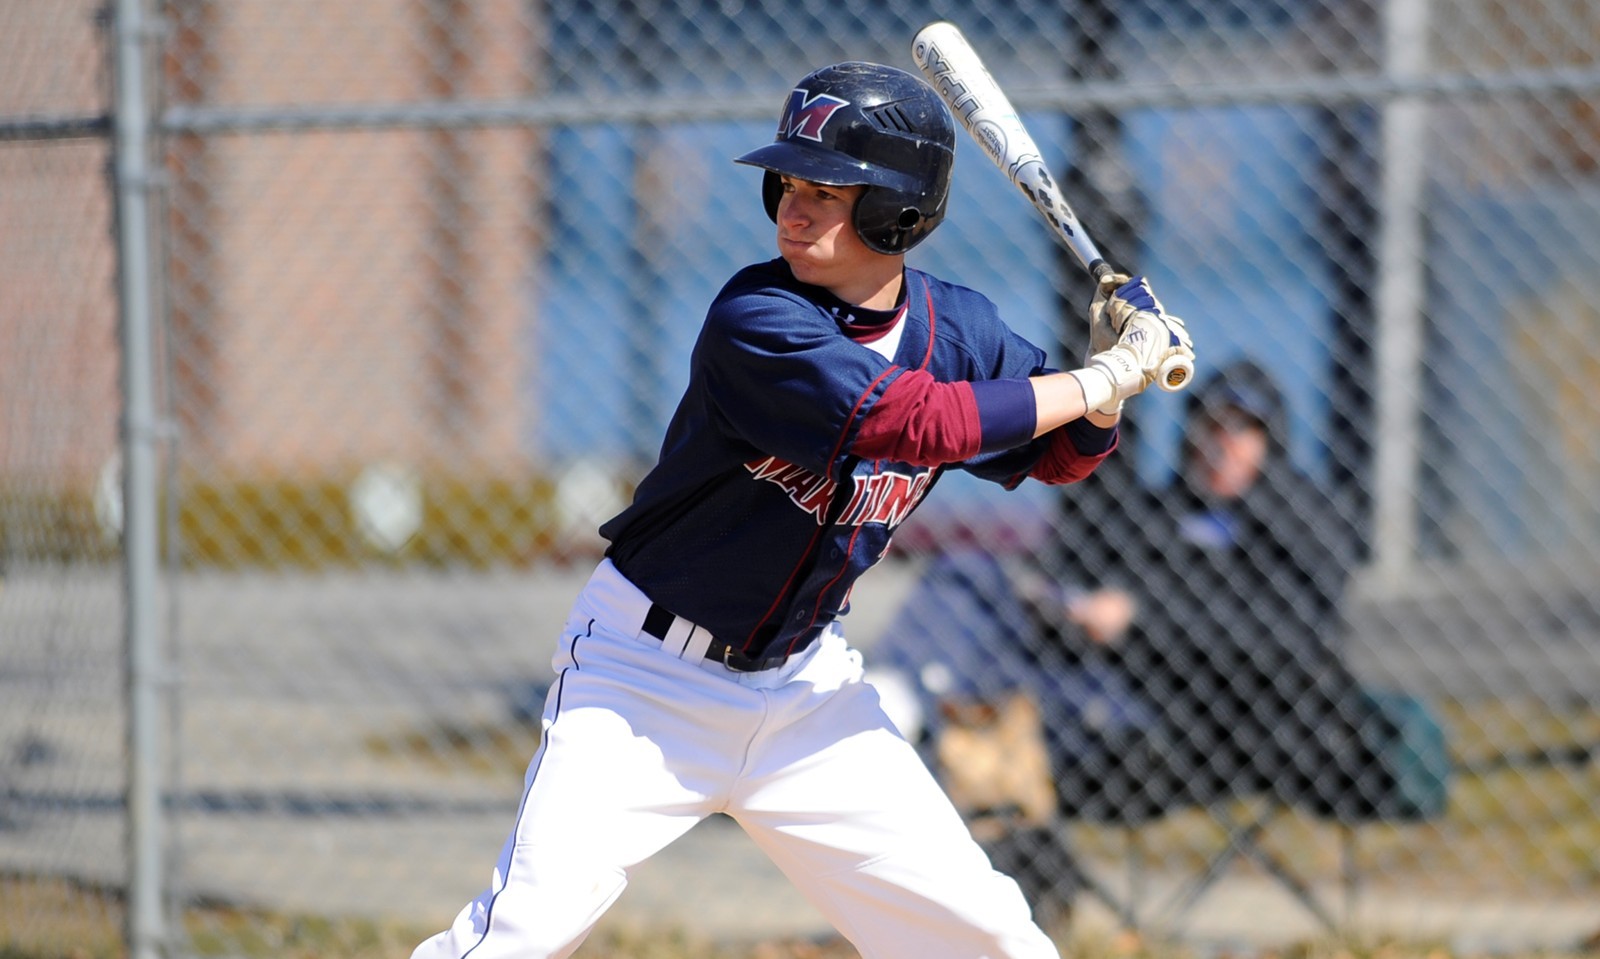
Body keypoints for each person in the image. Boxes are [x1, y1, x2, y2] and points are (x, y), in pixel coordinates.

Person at [410, 60, 1193, 959]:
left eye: (829, 190)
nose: (793, 206)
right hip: (643, 681)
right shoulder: (758, 318)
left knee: (991, 938)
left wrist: (1108, 390)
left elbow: (1060, 457)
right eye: (788, 182)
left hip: (805, 693)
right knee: (517, 934)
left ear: (897, 211)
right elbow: (918, 423)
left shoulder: (961, 329)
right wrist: (1098, 375)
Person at [1047, 357, 1371, 816]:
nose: (1223, 445)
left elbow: (1286, 634)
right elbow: (1089, 569)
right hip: (1147, 699)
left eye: (1242, 431)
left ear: (1269, 440)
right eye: (1212, 426)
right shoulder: (1161, 513)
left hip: (1261, 723)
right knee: (977, 579)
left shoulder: (1302, 518)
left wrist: (1141, 619)